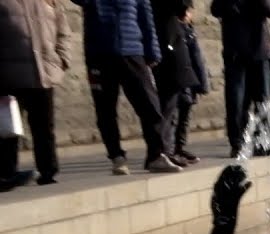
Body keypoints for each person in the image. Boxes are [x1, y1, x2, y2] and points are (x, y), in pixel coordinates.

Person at [71, 0, 182, 174]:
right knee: (105, 109)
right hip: (99, 54)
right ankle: (117, 157)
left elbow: (146, 18)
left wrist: (153, 52)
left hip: (132, 51)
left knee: (149, 104)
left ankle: (156, 155)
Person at [0, 0, 71, 189]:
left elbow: (63, 30)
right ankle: (7, 173)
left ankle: (48, 171)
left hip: (44, 73)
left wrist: (62, 60)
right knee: (9, 128)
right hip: (9, 75)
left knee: (45, 127)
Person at [211, 0, 270, 158]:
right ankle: (238, 143)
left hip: (260, 53)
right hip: (235, 54)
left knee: (263, 100)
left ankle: (263, 142)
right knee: (236, 101)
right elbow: (216, 9)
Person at [151, 0, 198, 166]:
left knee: (170, 104)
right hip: (167, 44)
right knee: (167, 103)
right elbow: (180, 6)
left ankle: (166, 150)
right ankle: (163, 151)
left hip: (166, 42)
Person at [171, 7, 208, 165]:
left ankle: (180, 146)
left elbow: (197, 58)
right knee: (172, 116)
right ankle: (170, 149)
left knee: (184, 117)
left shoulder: (189, 31)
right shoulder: (174, 30)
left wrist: (201, 83)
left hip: (189, 80)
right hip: (177, 78)